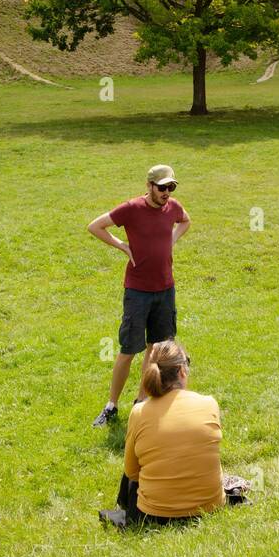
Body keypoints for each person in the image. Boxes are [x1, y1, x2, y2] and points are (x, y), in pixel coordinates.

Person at [87, 164, 190, 427]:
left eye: (171, 187)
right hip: (137, 292)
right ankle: (111, 406)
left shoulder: (173, 207)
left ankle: (141, 401)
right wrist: (122, 245)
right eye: (162, 187)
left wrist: (171, 239)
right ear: (149, 186)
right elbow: (95, 226)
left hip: (165, 290)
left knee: (155, 348)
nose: (167, 193)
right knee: (128, 350)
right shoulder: (131, 209)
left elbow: (185, 221)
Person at [122, 340, 225, 524]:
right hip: (210, 506)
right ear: (181, 370)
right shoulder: (209, 403)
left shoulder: (139, 412)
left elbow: (131, 472)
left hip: (156, 514)